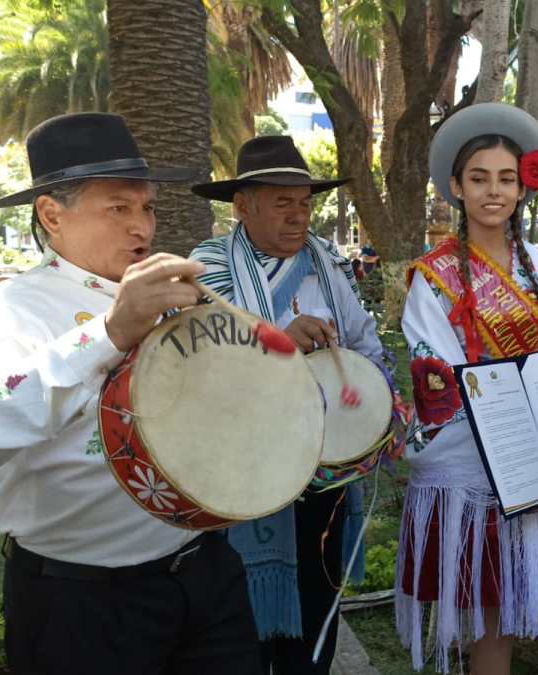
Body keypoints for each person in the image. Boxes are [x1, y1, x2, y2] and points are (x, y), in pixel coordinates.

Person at [0, 112, 262, 674]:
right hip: (81, 602)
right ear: (52, 214)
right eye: (119, 208)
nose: (143, 227)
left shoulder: (174, 300)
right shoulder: (9, 312)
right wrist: (107, 334)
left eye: (147, 207)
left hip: (206, 575)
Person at [394, 102, 538, 674]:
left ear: (522, 187)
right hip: (479, 461)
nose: (494, 191)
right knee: (489, 611)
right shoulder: (433, 278)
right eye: (479, 178)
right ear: (455, 187)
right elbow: (442, 375)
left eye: (506, 178)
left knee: (515, 608)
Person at [189, 135, 383, 675]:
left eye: (304, 202)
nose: (299, 216)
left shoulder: (327, 263)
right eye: (282, 203)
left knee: (316, 618)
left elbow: (363, 343)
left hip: (325, 472)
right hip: (242, 478)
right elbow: (194, 369)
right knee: (241, 630)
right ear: (243, 206)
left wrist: (375, 401)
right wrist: (276, 338)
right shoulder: (206, 272)